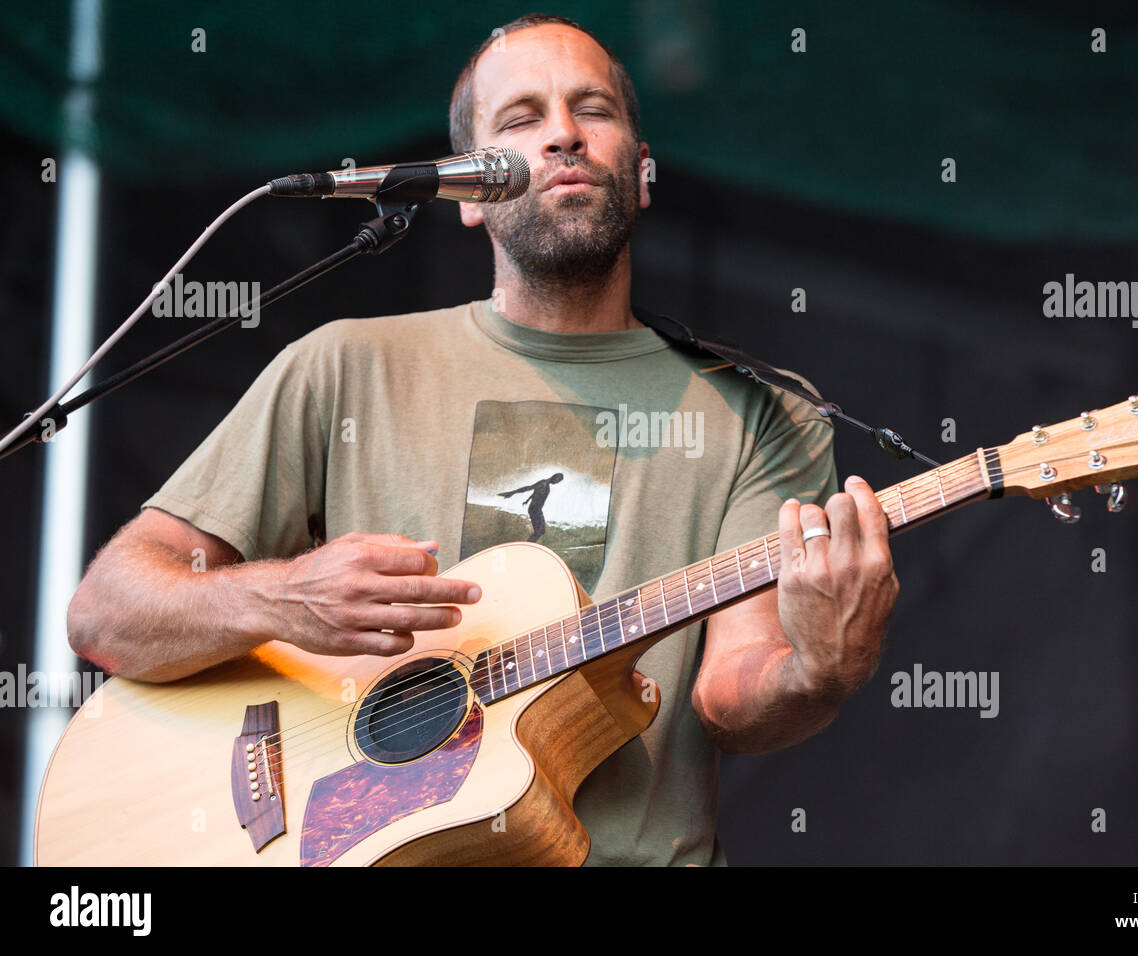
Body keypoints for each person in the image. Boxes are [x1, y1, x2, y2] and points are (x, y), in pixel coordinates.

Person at [66, 14, 899, 866]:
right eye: (520, 120)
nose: (564, 134)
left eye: (594, 110)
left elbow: (731, 696)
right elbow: (107, 613)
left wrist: (819, 672)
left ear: (643, 174)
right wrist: (280, 599)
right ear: (468, 193)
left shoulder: (765, 415)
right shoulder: (344, 366)